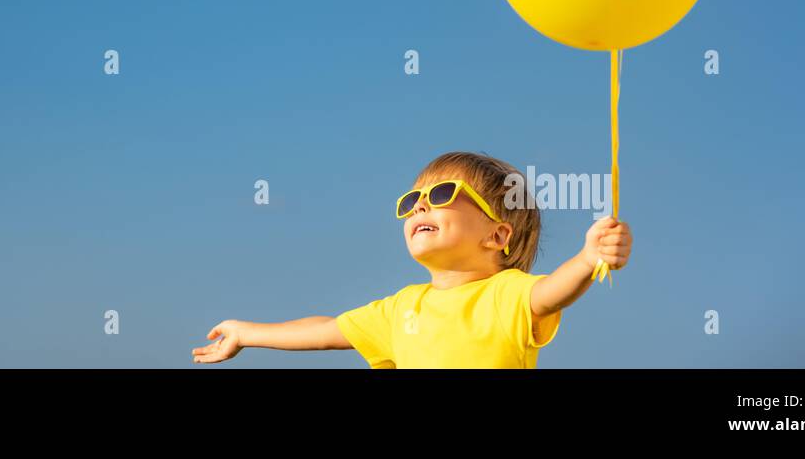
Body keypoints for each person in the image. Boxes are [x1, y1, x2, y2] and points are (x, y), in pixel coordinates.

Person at [192, 150, 632, 367]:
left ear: (497, 234)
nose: (420, 205)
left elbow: (552, 293)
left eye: (441, 195)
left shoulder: (505, 294)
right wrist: (246, 332)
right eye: (413, 199)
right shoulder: (402, 307)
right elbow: (325, 330)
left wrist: (588, 257)